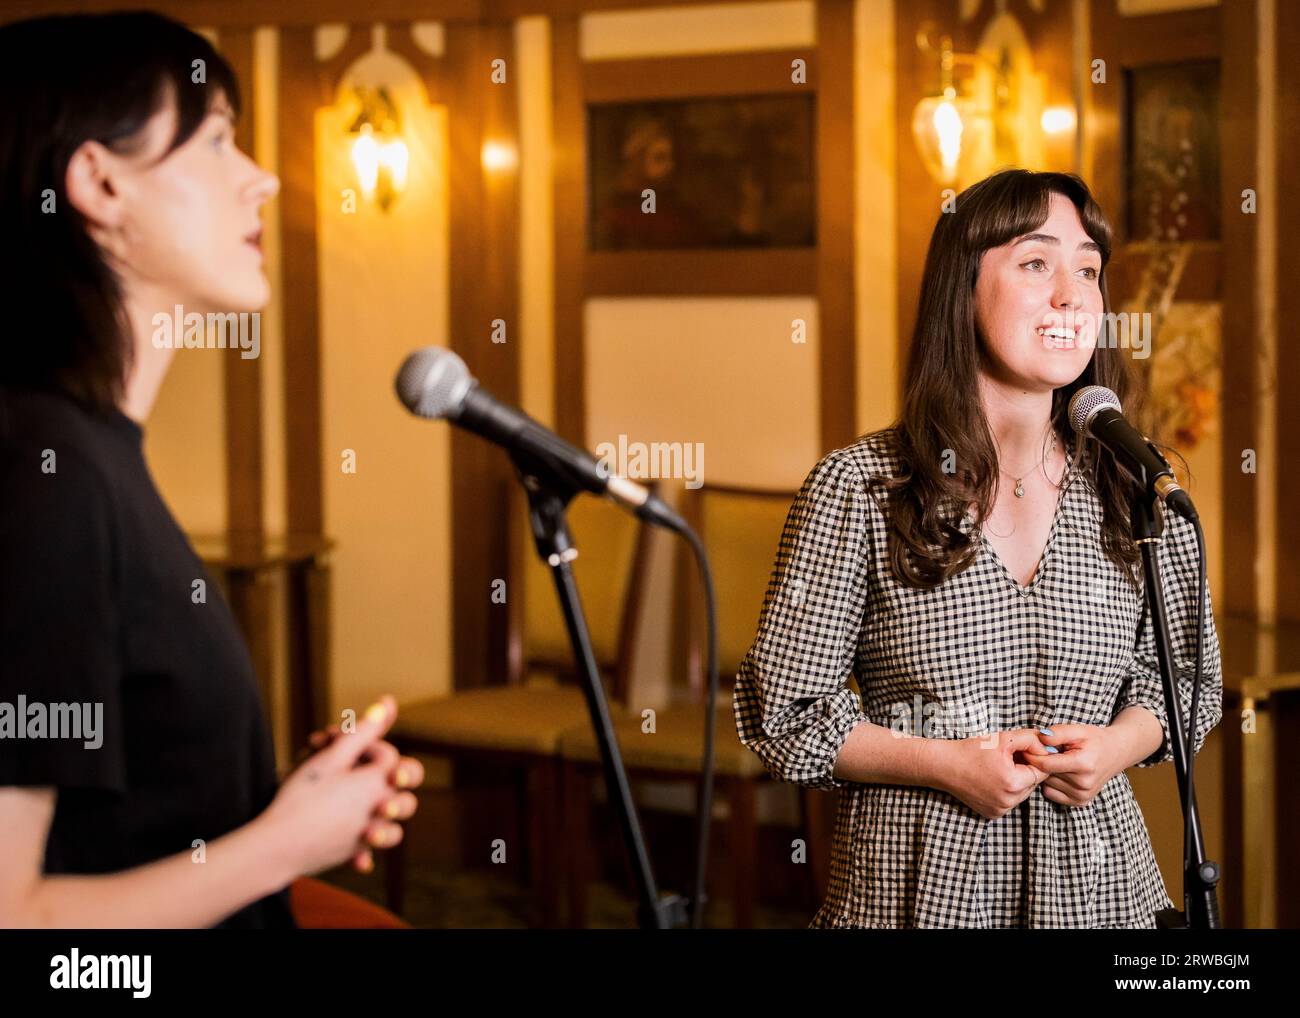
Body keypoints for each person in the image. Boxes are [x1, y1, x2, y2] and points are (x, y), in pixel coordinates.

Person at [0, 12, 424, 928]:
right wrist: (283, 844)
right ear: (98, 181)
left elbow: (116, 824)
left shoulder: (92, 454)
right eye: (221, 141)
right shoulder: (48, 471)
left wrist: (289, 805)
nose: (264, 178)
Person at [733, 168, 1223, 928]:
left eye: (1088, 270)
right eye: (1036, 263)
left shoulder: (1138, 485)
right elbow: (786, 713)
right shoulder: (861, 487)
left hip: (1101, 894)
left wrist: (1116, 748)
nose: (1072, 294)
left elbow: (1187, 681)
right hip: (920, 889)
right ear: (962, 290)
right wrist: (946, 764)